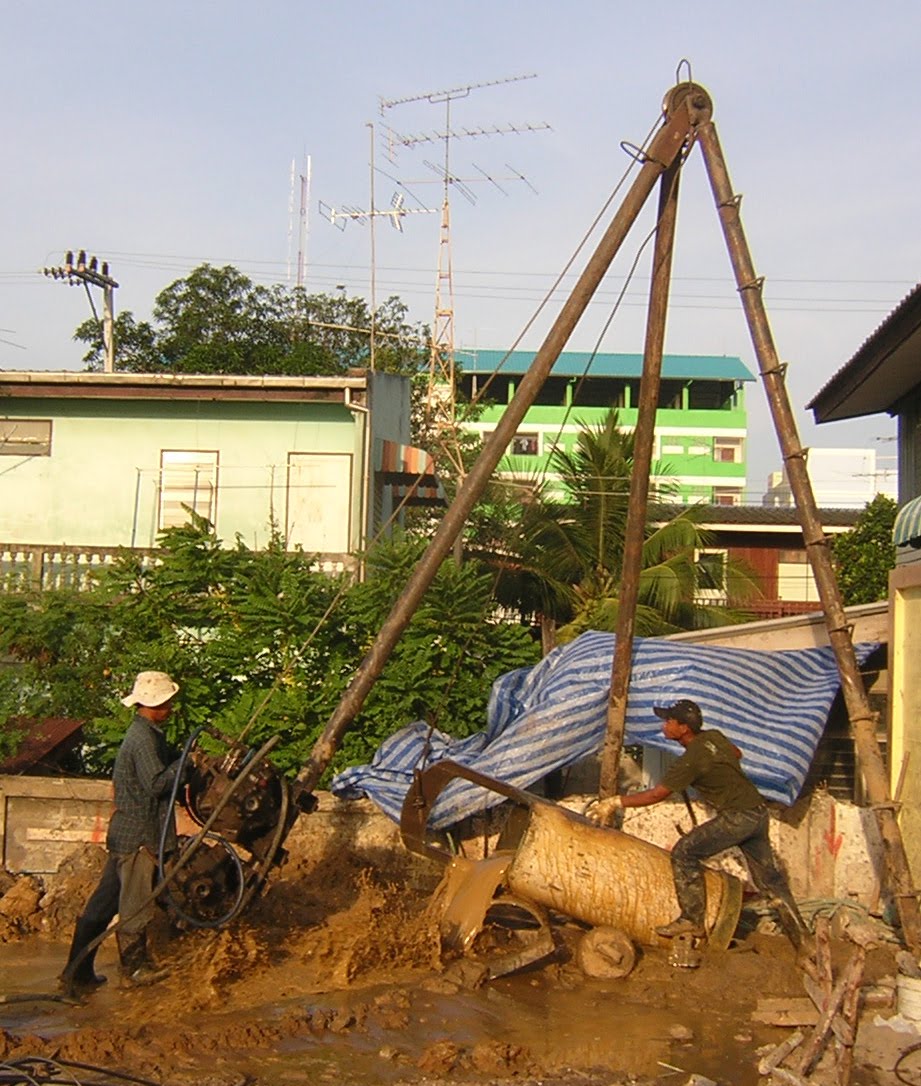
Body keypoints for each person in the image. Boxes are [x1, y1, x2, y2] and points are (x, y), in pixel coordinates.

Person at [587, 698, 805, 946]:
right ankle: (802, 940)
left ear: (684, 729)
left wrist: (615, 802)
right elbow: (736, 753)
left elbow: (657, 794)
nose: (664, 725)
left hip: (737, 817)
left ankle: (692, 919)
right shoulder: (713, 737)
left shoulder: (691, 760)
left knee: (683, 854)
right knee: (771, 881)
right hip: (757, 813)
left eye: (669, 721)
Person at [61, 670, 184, 991]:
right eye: (167, 702)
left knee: (103, 904)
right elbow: (157, 784)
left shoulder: (147, 734)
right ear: (153, 705)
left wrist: (182, 758)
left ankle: (77, 973)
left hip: (124, 833)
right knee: (135, 903)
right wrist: (184, 767)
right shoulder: (143, 739)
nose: (171, 707)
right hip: (140, 836)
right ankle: (135, 969)